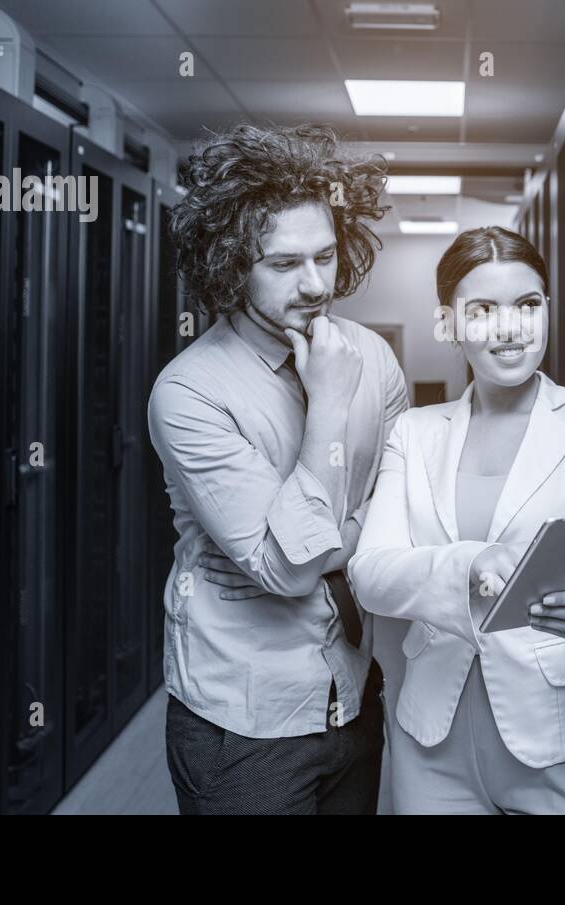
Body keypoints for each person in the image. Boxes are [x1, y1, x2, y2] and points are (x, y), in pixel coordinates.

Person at [348, 226, 565, 814]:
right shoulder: (414, 434)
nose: (509, 328)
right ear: (448, 323)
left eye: (527, 305)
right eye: (483, 310)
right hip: (434, 746)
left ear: (547, 309)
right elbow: (371, 574)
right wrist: (470, 565)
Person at [148, 122, 408, 814]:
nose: (317, 283)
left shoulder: (372, 357)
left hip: (352, 692)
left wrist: (328, 542)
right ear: (232, 265)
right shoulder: (188, 392)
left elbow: (406, 513)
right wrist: (326, 406)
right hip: (244, 722)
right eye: (285, 264)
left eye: (325, 256)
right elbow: (291, 569)